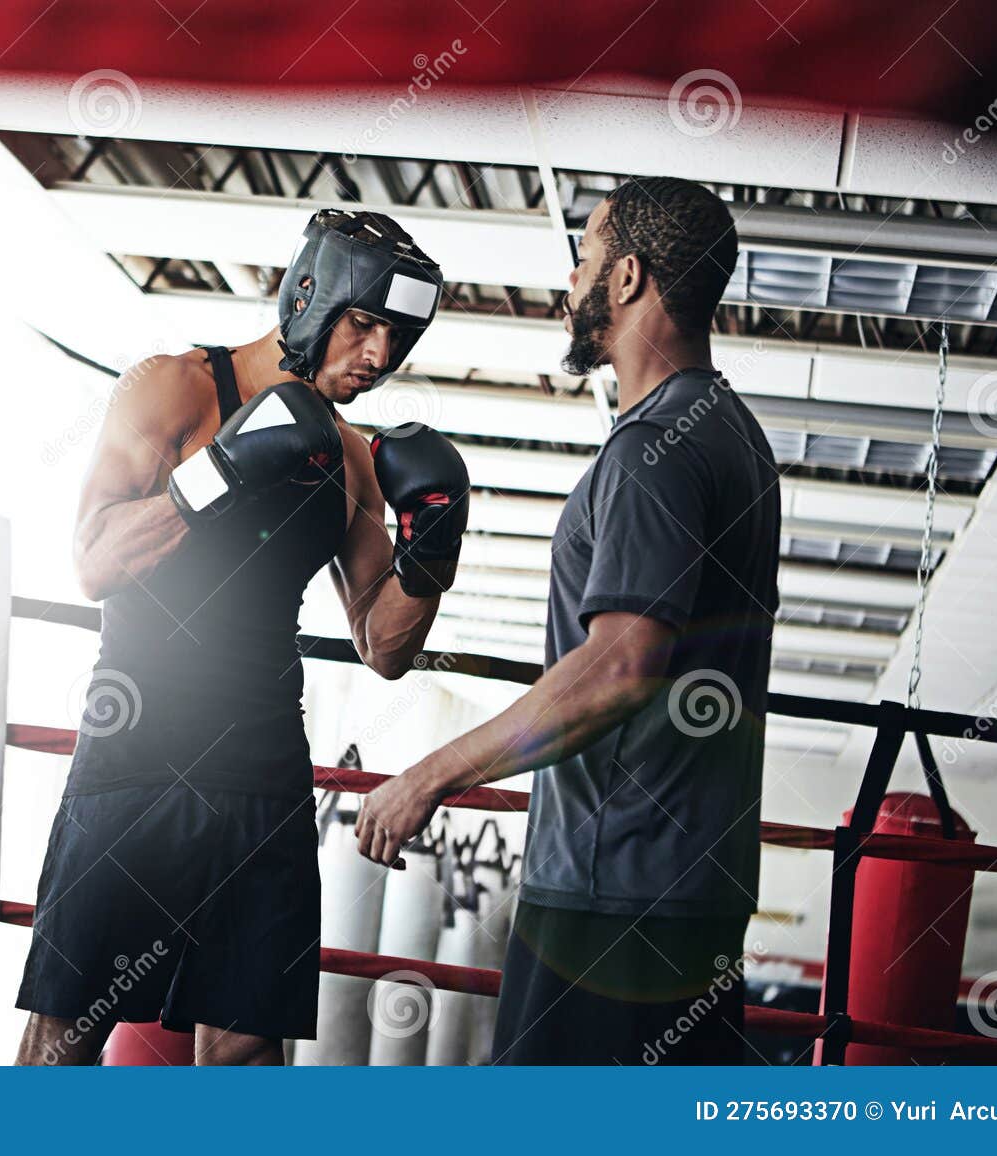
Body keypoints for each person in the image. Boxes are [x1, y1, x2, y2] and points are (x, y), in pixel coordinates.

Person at [16, 209, 470, 1065]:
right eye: (364, 323)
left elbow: (385, 644)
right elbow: (92, 563)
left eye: (398, 338)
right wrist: (217, 472)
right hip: (139, 751)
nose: (379, 356)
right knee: (65, 1037)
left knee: (247, 1056)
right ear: (309, 295)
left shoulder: (351, 458)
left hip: (263, 771)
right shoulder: (174, 388)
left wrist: (434, 547)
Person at [354, 176, 781, 1065]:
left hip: (611, 893)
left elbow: (621, 665)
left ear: (625, 278)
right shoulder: (734, 433)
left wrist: (428, 776)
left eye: (584, 258)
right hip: (694, 886)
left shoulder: (650, 455)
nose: (571, 284)